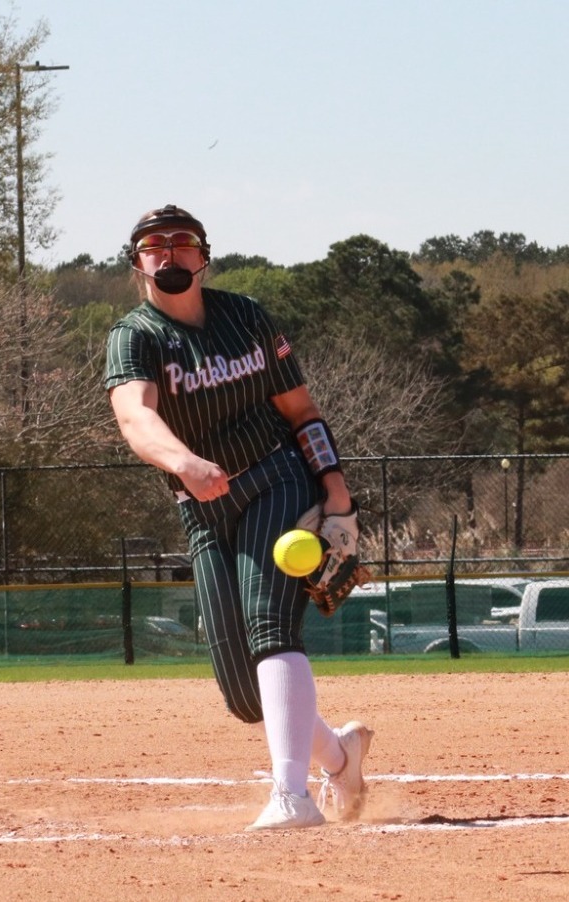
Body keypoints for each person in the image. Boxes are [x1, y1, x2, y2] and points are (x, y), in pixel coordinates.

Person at [102, 205, 372, 830]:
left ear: (203, 255)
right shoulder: (135, 336)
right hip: (201, 504)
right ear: (137, 261)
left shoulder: (246, 316)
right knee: (246, 696)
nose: (168, 253)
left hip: (276, 479)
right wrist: (184, 461)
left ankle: (291, 797)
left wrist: (337, 494)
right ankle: (341, 756)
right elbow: (134, 418)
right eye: (153, 245)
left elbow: (303, 412)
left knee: (271, 625)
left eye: (182, 242)